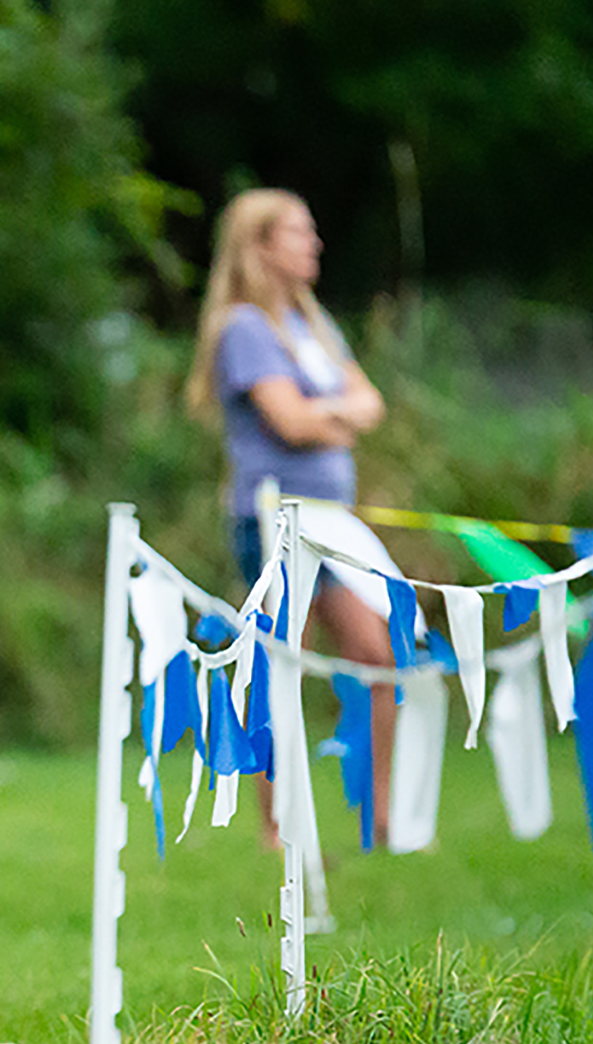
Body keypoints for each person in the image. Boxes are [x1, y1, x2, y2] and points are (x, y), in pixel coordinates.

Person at [185, 187, 397, 847]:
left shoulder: (314, 324)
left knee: (378, 657)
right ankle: (275, 827)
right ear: (261, 247)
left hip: (336, 523)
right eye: (300, 233)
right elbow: (291, 421)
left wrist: (329, 415)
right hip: (275, 524)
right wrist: (337, 414)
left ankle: (382, 819)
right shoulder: (244, 329)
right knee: (282, 664)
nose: (316, 243)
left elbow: (372, 403)